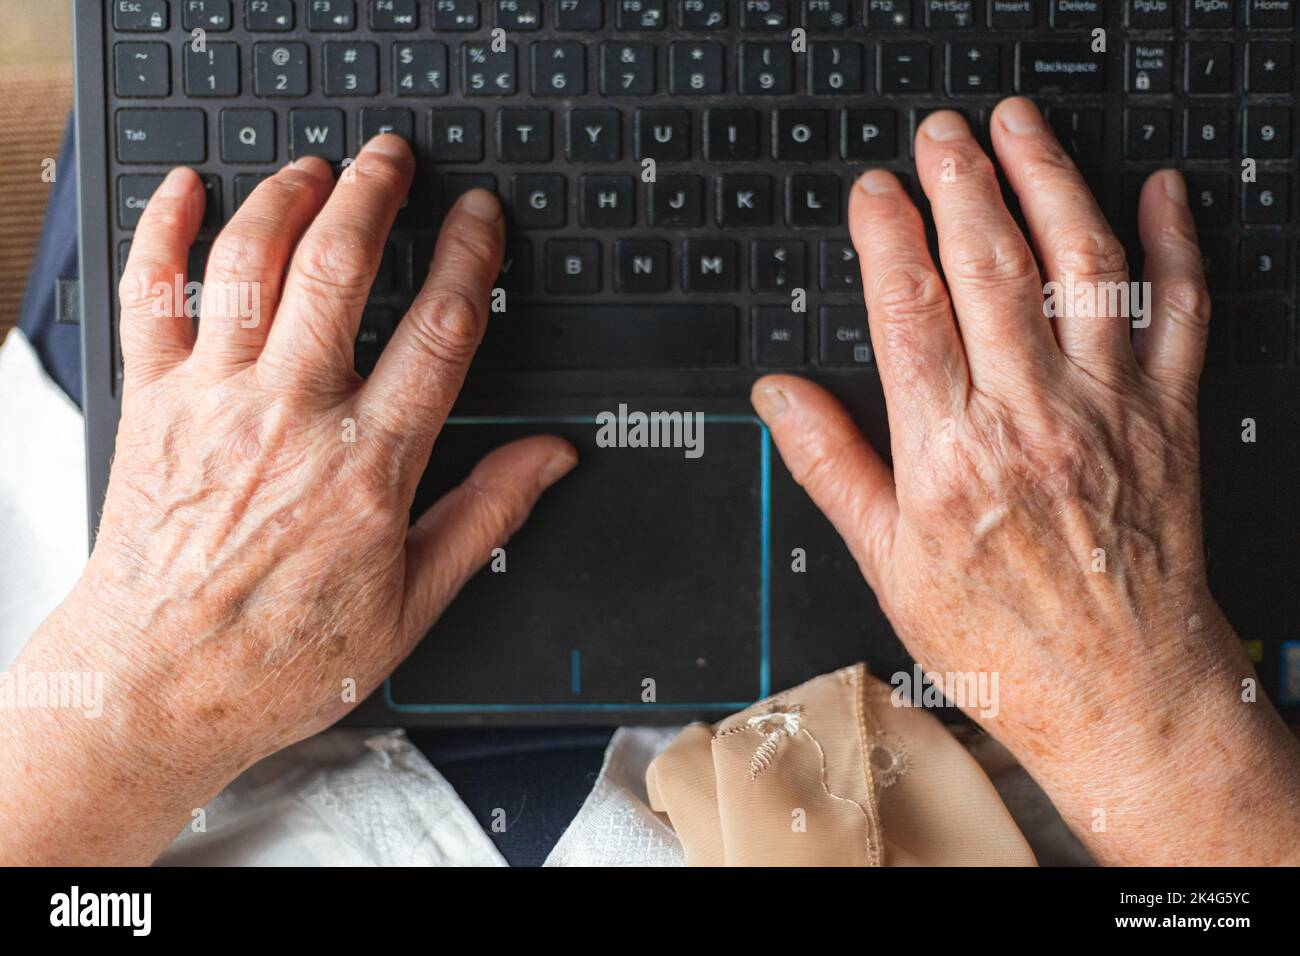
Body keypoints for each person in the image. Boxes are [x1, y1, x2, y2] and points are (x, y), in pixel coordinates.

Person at [1, 97, 1298, 866]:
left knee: (218, 194)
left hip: (196, 725)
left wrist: (127, 708)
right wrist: (1156, 733)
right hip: (1086, 738)